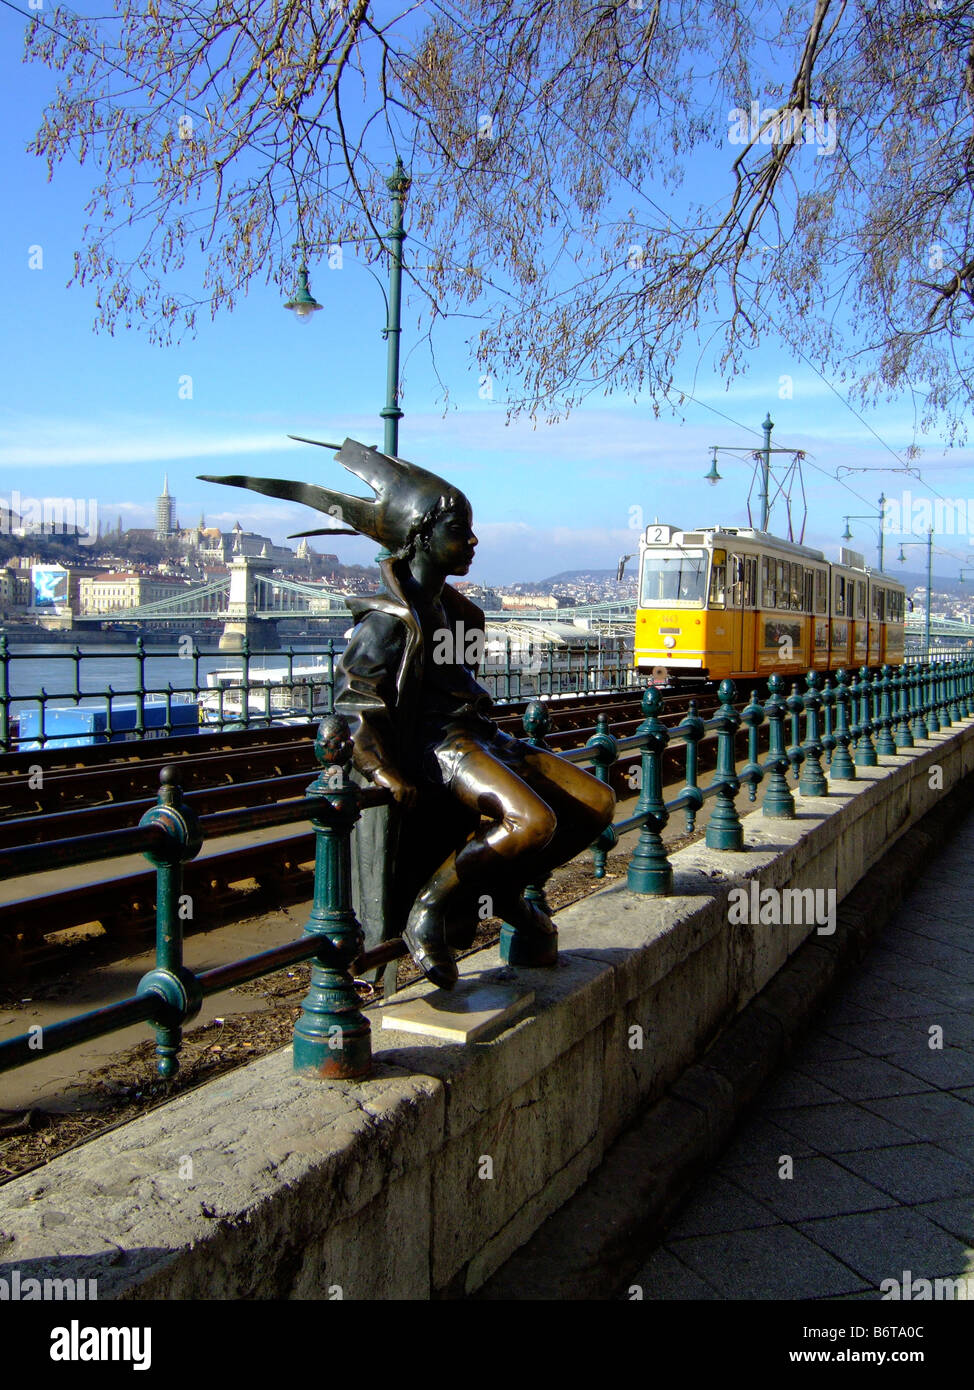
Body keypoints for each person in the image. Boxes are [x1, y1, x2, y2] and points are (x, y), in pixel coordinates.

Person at [201, 438, 615, 989]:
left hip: (479, 736)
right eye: (456, 530)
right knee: (532, 821)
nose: (472, 540)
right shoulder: (386, 622)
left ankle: (503, 889)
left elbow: (462, 683)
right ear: (419, 538)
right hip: (438, 747)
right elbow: (353, 705)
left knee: (596, 802)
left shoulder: (461, 612)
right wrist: (382, 770)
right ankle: (429, 909)